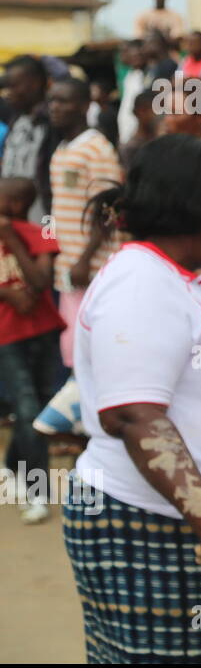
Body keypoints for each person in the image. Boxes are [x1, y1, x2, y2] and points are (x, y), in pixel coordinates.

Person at [65, 134, 201, 663]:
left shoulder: (174, 280)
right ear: (197, 207)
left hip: (174, 525)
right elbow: (133, 415)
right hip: (154, 527)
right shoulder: (141, 283)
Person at [0, 177, 64, 525]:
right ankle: (37, 492)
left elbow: (40, 282)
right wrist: (8, 295)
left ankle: (10, 468)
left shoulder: (40, 234)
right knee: (27, 409)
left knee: (38, 408)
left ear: (15, 204)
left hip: (42, 332)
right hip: (6, 335)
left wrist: (11, 239)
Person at [47, 78, 123, 367]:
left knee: (93, 352)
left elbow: (109, 210)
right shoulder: (63, 149)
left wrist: (85, 258)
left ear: (83, 106)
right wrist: (48, 243)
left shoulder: (96, 148)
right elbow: (56, 206)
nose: (54, 107)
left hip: (91, 268)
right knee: (73, 351)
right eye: (52, 100)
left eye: (63, 101)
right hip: (67, 265)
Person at [0, 55, 53, 223]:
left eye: (14, 86)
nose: (8, 93)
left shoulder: (52, 123)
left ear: (36, 83)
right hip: (15, 216)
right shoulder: (16, 120)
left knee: (47, 246)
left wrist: (49, 232)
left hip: (44, 216)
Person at [119, 86, 161, 168]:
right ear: (137, 112)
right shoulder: (131, 148)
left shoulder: (159, 138)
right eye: (147, 110)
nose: (153, 114)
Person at [115, 39, 147, 146]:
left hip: (137, 134)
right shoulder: (129, 76)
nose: (135, 59)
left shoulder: (145, 76)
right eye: (133, 56)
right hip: (126, 131)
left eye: (138, 56)